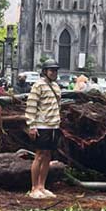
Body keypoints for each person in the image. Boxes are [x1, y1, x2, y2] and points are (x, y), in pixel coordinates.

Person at [24, 58, 62, 200]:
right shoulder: (38, 86)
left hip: (53, 125)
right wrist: (31, 125)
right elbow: (32, 105)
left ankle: (42, 186)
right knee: (39, 155)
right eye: (51, 70)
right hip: (41, 125)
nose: (54, 73)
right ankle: (34, 187)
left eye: (55, 70)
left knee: (48, 155)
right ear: (45, 71)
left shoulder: (56, 87)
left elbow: (58, 106)